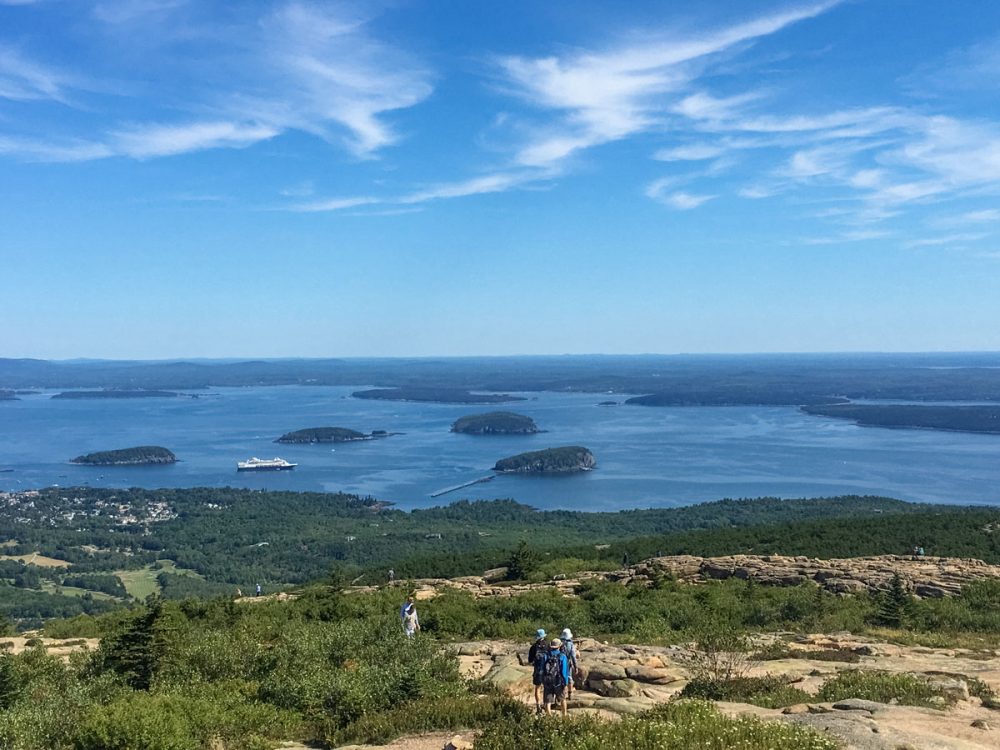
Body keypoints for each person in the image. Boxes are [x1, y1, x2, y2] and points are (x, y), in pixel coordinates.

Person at [542, 637, 570, 716]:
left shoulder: (546, 656)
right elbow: (564, 672)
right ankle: (564, 716)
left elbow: (542, 669)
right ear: (559, 646)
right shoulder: (562, 656)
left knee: (548, 701)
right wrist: (565, 683)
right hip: (558, 682)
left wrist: (543, 680)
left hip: (548, 681)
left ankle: (549, 718)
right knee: (562, 699)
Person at [528, 628, 548, 714]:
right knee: (547, 688)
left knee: (537, 688)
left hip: (538, 671)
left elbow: (530, 660)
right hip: (547, 671)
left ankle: (538, 705)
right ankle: (547, 705)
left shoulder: (533, 647)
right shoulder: (548, 646)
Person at [559, 628, 579, 699]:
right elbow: (573, 656)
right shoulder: (570, 644)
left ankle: (560, 694)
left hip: (559, 662)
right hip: (567, 663)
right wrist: (575, 666)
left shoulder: (559, 643)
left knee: (560, 677)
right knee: (569, 677)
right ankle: (570, 694)